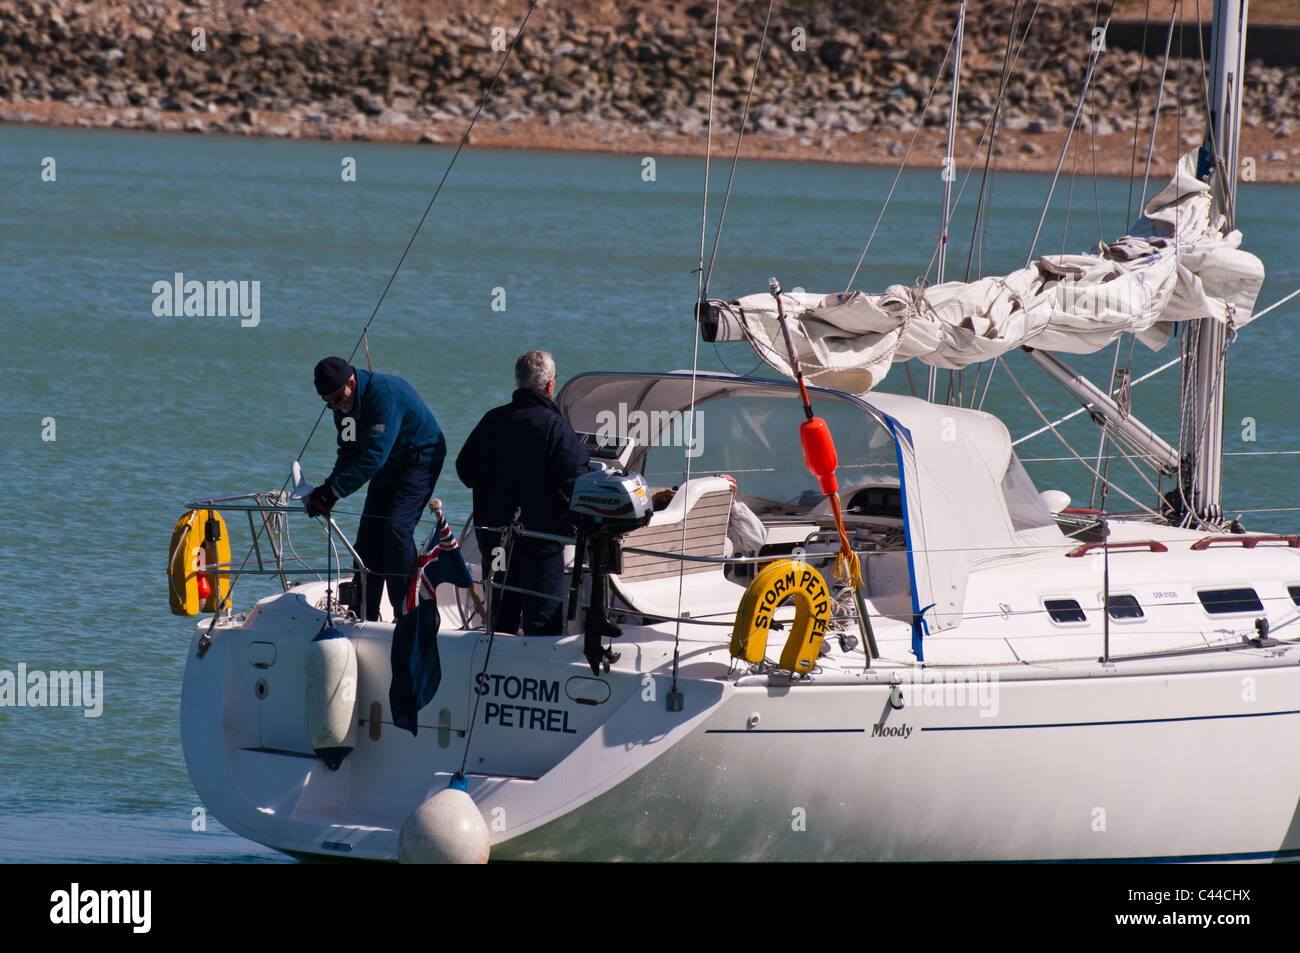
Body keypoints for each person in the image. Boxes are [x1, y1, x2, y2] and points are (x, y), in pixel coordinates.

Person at [456, 350, 590, 636]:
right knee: (542, 621)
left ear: (518, 382)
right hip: (538, 545)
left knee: (501, 614)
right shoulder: (555, 428)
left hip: (495, 540)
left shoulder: (492, 420)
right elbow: (578, 484)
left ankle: (495, 675)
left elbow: (464, 471)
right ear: (551, 385)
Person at [307, 356, 446, 622]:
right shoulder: (343, 411)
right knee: (368, 539)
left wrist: (335, 491)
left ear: (352, 382)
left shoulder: (383, 397)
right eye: (329, 403)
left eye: (338, 398)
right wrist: (328, 489)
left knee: (396, 529)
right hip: (388, 464)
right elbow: (349, 452)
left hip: (420, 460)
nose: (336, 406)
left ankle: (406, 613)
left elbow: (372, 456)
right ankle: (364, 614)